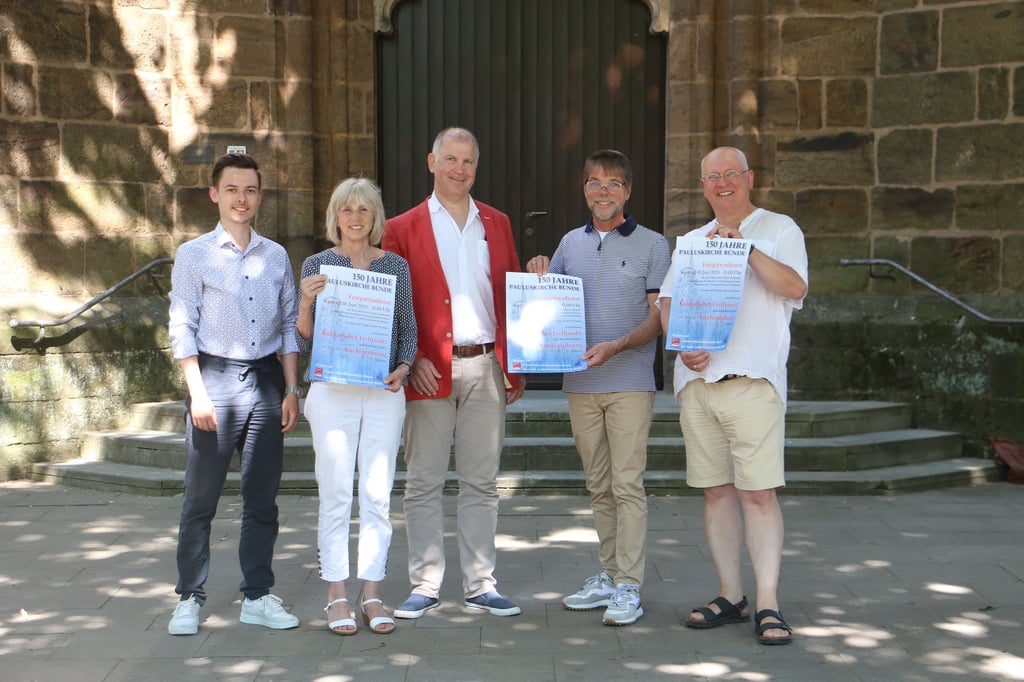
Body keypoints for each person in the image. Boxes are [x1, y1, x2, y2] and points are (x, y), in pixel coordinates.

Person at [657, 146, 808, 645]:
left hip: (752, 383)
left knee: (759, 494)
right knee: (716, 491)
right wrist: (681, 345)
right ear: (702, 186)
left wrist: (744, 247)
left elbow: (796, 288)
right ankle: (731, 594)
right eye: (712, 177)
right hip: (699, 386)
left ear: (749, 178)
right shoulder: (693, 241)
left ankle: (769, 602)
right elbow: (668, 303)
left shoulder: (778, 228)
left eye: (731, 174)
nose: (722, 183)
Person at [381, 127, 525, 619]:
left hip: (486, 364)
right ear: (431, 161)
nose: (459, 169)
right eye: (450, 159)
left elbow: (509, 288)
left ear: (475, 167)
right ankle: (424, 584)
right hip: (428, 369)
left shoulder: (497, 223)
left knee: (482, 482)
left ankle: (481, 584)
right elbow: (393, 304)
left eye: (467, 161)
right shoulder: (402, 226)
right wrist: (412, 357)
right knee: (422, 481)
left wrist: (515, 359)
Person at [526, 149, 671, 626]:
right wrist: (538, 275)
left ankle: (630, 585)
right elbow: (550, 308)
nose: (603, 191)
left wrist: (617, 346)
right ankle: (608, 575)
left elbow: (658, 318)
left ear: (628, 191)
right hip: (580, 383)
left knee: (627, 484)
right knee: (598, 485)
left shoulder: (653, 245)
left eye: (613, 183)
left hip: (629, 381)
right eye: (594, 182)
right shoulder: (570, 242)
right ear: (584, 189)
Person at [166, 153, 301, 636]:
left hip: (266, 381)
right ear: (214, 194)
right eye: (231, 190)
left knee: (261, 499)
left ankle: (258, 595)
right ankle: (188, 597)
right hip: (214, 380)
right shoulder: (194, 255)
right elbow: (182, 326)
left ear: (259, 196)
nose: (241, 199)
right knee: (200, 499)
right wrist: (197, 392)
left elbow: (288, 325)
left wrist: (291, 388)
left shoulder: (277, 256)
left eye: (250, 190)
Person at [295, 178, 417, 635]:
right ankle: (336, 595)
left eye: (364, 210)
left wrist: (404, 366)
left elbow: (408, 328)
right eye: (347, 209)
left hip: (383, 390)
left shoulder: (395, 267)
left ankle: (372, 592)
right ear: (336, 216)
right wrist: (307, 300)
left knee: (378, 495)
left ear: (375, 217)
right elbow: (302, 337)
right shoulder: (317, 264)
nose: (355, 217)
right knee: (335, 493)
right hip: (332, 390)